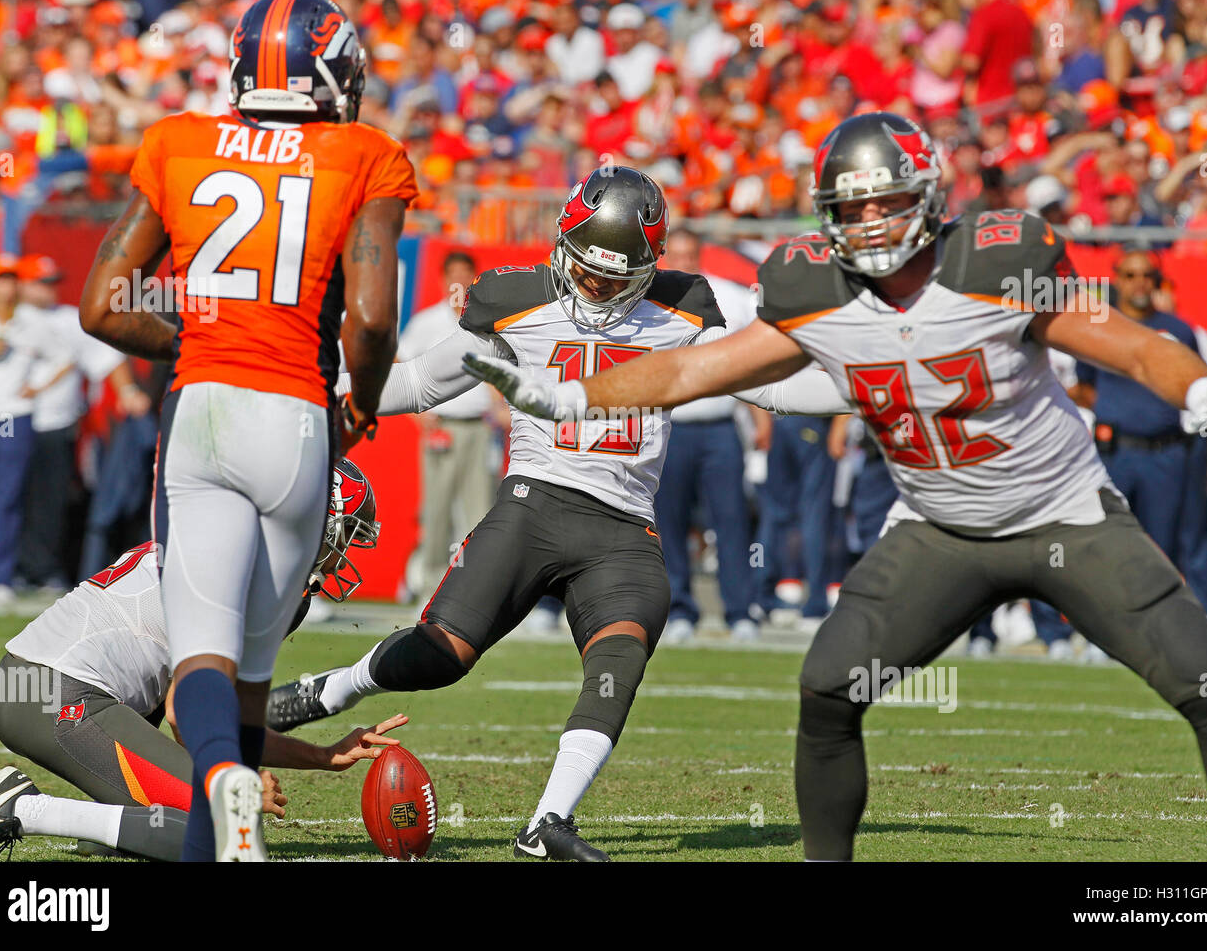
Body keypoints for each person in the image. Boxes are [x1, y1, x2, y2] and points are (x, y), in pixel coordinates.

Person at [465, 112, 1207, 861]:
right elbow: (689, 369)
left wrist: (1192, 388)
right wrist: (571, 397)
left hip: (1065, 519)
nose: (873, 222)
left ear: (928, 198)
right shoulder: (818, 291)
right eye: (855, 206)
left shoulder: (998, 260)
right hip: (938, 534)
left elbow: (1131, 344)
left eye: (888, 203)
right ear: (825, 212)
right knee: (827, 693)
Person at [266, 165, 848, 862]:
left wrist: (878, 390)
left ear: (647, 266)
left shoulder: (692, 306)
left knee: (620, 657)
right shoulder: (516, 299)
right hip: (532, 504)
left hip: (624, 525)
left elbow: (776, 393)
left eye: (612, 277)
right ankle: (339, 685)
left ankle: (546, 824)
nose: (593, 287)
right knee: (442, 656)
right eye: (584, 268)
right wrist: (311, 385)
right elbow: (421, 383)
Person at [77, 0, 416, 861]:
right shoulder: (364, 153)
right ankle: (228, 780)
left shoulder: (177, 140)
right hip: (296, 414)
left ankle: (221, 773)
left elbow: (104, 307)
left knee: (201, 657)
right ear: (338, 72)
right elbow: (372, 321)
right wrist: (362, 407)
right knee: (252, 679)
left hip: (200, 412)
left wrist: (192, 338)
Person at [0, 460, 407, 862]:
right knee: (222, 834)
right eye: (345, 534)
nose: (344, 553)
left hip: (54, 687)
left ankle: (113, 818)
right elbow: (187, 714)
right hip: (52, 694)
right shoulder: (244, 574)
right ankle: (22, 808)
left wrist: (323, 756)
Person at [1071, 248, 1207, 617]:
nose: (1139, 283)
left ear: (1158, 281)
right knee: (1105, 540)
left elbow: (1195, 385)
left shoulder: (1179, 330)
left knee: (1160, 547)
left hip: (1165, 452)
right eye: (1131, 274)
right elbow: (1085, 386)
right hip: (1114, 450)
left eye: (1147, 275)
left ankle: (1156, 624)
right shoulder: (1097, 324)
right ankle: (1103, 622)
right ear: (1117, 278)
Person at [651, 228, 760, 643]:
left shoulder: (731, 297)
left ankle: (740, 610)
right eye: (674, 254)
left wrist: (759, 416)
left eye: (689, 253)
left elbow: (750, 361)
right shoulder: (647, 301)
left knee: (731, 519)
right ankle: (679, 608)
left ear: (701, 255)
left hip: (718, 424)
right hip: (668, 424)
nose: (682, 261)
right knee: (669, 520)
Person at [13, 254, 133, 591]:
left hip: (57, 423)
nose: (49, 289)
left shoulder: (69, 319)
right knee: (9, 497)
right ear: (22, 285)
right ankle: (7, 567)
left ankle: (43, 568)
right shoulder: (8, 319)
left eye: (52, 281)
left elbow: (109, 358)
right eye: (41, 282)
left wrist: (129, 391)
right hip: (9, 422)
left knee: (51, 499)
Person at [0, 255, 67, 605]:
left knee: (7, 494)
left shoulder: (30, 323)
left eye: (12, 279)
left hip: (10, 416)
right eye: (1, 279)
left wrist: (37, 387)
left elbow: (64, 357)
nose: (7, 286)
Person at [399, 251, 503, 594]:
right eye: (453, 274)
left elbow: (501, 369)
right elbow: (401, 365)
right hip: (442, 426)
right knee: (437, 511)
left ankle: (474, 590)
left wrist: (499, 403)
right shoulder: (427, 322)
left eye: (466, 274)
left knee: (479, 512)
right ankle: (430, 587)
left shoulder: (487, 319)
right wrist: (418, 412)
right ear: (443, 279)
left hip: (479, 426)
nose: (459, 282)